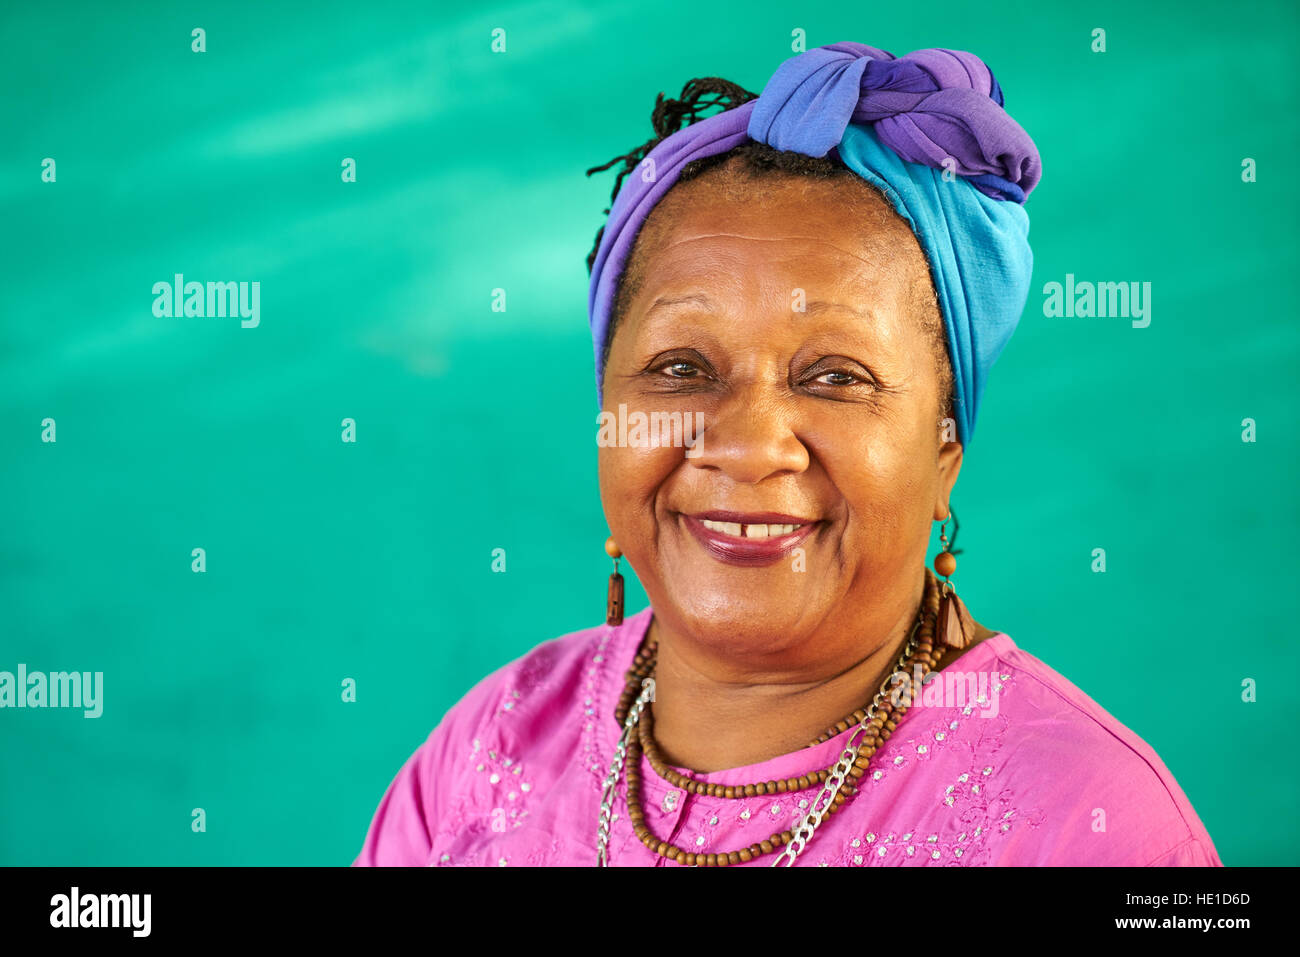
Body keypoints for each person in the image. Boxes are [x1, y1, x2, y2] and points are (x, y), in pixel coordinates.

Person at [353, 41, 1221, 866]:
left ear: (945, 448)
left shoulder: (1091, 824)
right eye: (680, 367)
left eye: (837, 376)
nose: (747, 445)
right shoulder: (494, 742)